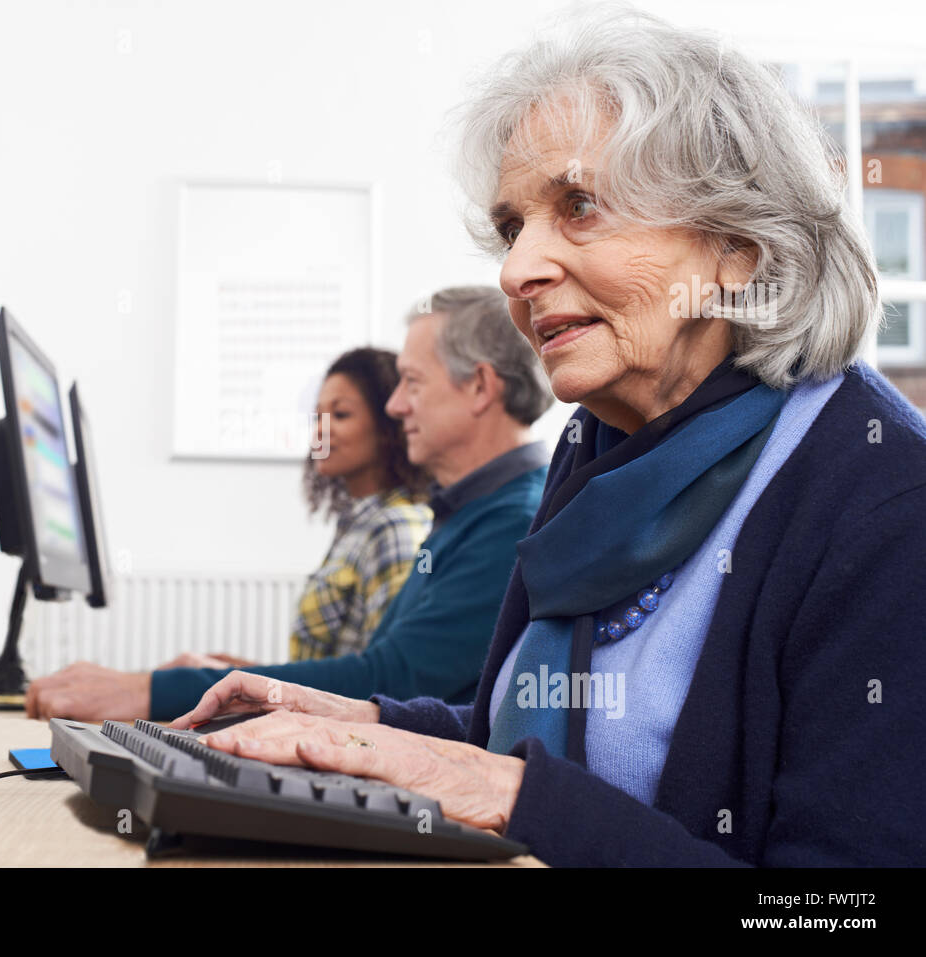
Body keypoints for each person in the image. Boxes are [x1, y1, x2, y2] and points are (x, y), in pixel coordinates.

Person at [173, 7, 926, 867]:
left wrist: (513, 799)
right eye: (510, 227)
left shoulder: (883, 501)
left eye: (578, 206)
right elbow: (539, 731)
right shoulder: (601, 446)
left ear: (736, 251)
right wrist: (373, 725)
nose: (514, 270)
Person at [25, 287, 555, 722]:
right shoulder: (470, 509)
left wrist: (150, 692)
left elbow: (387, 680)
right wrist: (236, 681)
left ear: (480, 387)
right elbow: (383, 672)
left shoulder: (512, 520)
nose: (396, 405)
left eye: (411, 383)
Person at [158, 346, 432, 670]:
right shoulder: (357, 523)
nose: (320, 430)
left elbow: (378, 680)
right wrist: (238, 672)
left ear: (389, 427)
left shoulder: (395, 527)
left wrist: (243, 679)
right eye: (317, 416)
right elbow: (334, 674)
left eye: (340, 415)